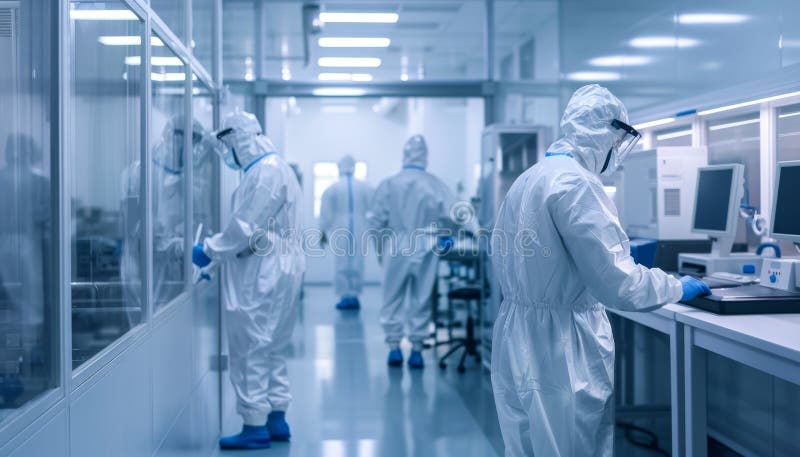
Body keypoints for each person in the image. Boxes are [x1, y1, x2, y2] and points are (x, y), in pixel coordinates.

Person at [489, 84, 711, 456]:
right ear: (605, 136)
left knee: (528, 445)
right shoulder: (578, 185)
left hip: (517, 332)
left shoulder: (531, 178)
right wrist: (674, 287)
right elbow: (619, 283)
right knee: (571, 445)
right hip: (561, 346)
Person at [192, 111, 305, 450]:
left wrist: (209, 250)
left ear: (238, 139)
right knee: (272, 345)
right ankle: (276, 417)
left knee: (250, 345)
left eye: (226, 146)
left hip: (263, 271)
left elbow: (243, 228)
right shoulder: (274, 168)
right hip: (282, 266)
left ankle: (254, 426)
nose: (225, 154)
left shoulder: (264, 173)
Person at [368, 135, 460, 369]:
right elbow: (454, 213)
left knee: (391, 296)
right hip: (426, 244)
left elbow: (376, 221)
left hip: (396, 244)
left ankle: (394, 348)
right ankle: (417, 349)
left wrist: (381, 248)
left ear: (404, 154)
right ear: (425, 156)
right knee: (421, 296)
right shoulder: (434, 183)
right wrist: (447, 235)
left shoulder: (390, 183)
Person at [319, 155, 374, 310]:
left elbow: (325, 212)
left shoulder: (333, 188)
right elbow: (376, 206)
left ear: (340, 167)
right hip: (360, 226)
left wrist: (322, 231)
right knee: (357, 260)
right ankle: (354, 296)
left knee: (342, 261)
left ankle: (345, 296)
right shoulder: (365, 187)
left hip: (340, 227)